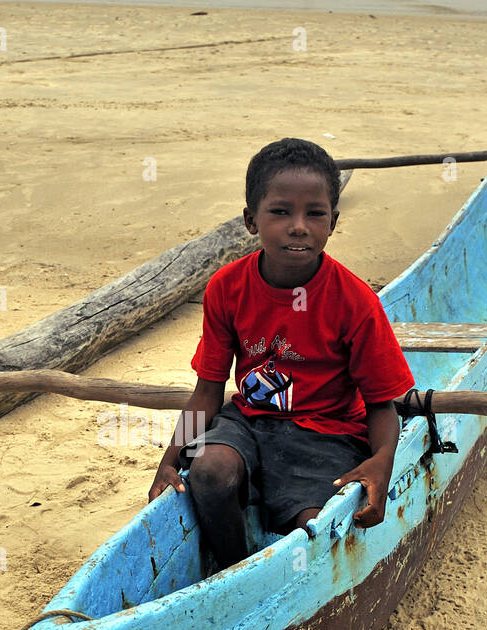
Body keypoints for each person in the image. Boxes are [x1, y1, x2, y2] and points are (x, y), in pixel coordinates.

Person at [148, 137, 415, 572]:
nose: (298, 226)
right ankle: (233, 569)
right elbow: (207, 391)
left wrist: (382, 461)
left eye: (315, 213)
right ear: (251, 221)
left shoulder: (356, 300)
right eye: (280, 212)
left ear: (333, 222)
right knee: (209, 470)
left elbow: (383, 403)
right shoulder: (226, 288)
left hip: (326, 433)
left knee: (315, 526)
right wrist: (168, 462)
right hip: (250, 422)